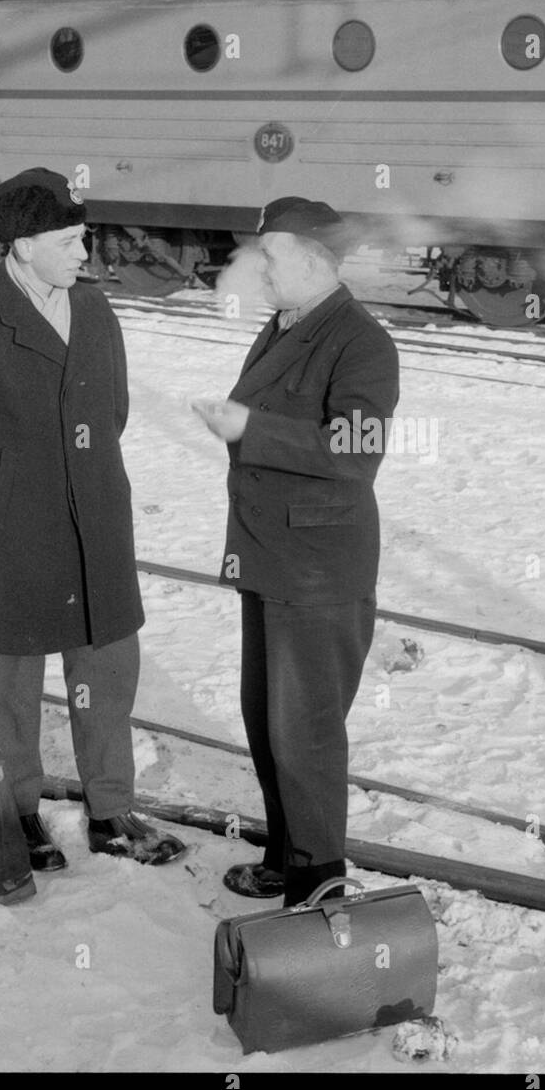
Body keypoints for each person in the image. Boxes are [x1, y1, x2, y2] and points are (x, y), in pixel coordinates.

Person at [0, 167, 185, 872]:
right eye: (71, 239)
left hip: (97, 523)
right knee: (15, 680)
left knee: (108, 662)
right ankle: (17, 808)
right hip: (14, 532)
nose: (84, 252)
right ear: (25, 247)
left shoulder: (95, 312)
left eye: (83, 236)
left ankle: (111, 809)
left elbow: (110, 414)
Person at [192, 197, 400, 906]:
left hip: (318, 570)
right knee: (265, 717)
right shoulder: (288, 323)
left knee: (306, 731)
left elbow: (358, 451)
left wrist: (251, 427)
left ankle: (318, 886)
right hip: (271, 557)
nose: (258, 268)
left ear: (314, 261)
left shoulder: (360, 340)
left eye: (270, 256)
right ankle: (286, 852)